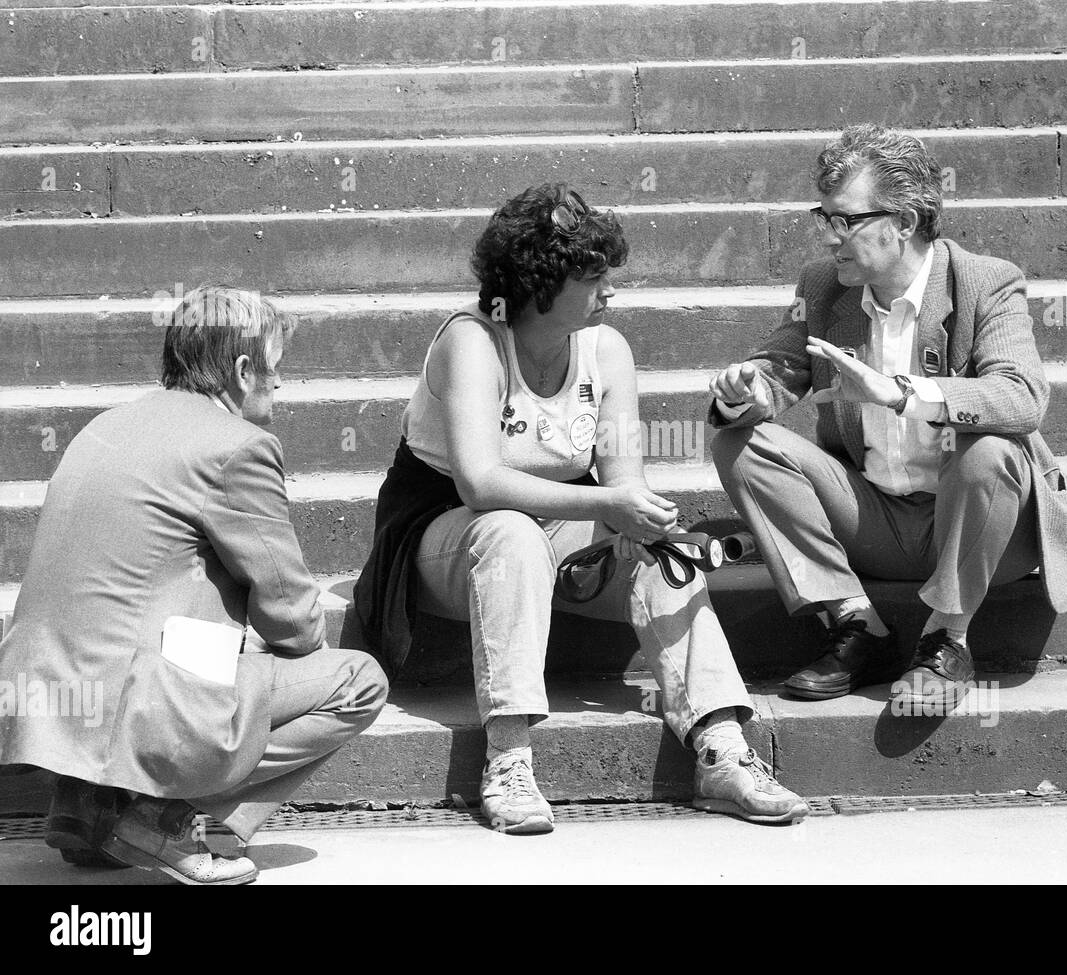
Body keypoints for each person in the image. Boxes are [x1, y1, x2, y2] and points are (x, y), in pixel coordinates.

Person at [353, 183, 809, 833]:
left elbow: (622, 481)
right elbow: (480, 482)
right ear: (541, 282)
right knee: (510, 531)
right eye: (591, 274)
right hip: (444, 535)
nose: (610, 288)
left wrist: (644, 523)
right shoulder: (472, 341)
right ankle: (508, 758)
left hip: (559, 532)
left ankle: (722, 749)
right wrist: (606, 502)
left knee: (661, 552)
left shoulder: (607, 351)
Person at [0, 286, 389, 884]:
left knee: (183, 633)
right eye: (276, 370)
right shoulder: (238, 448)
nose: (280, 386)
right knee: (358, 681)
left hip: (39, 696)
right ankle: (163, 818)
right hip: (130, 698)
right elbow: (288, 608)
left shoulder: (104, 425)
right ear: (241, 371)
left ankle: (86, 808)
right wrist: (296, 666)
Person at [708, 124, 1067, 714]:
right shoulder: (823, 287)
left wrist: (903, 394)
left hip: (984, 527)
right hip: (875, 519)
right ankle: (858, 626)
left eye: (846, 221)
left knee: (991, 452)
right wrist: (746, 391)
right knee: (740, 441)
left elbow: (1021, 397)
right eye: (824, 217)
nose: (831, 238)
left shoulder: (988, 282)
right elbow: (778, 369)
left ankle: (947, 639)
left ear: (904, 222)